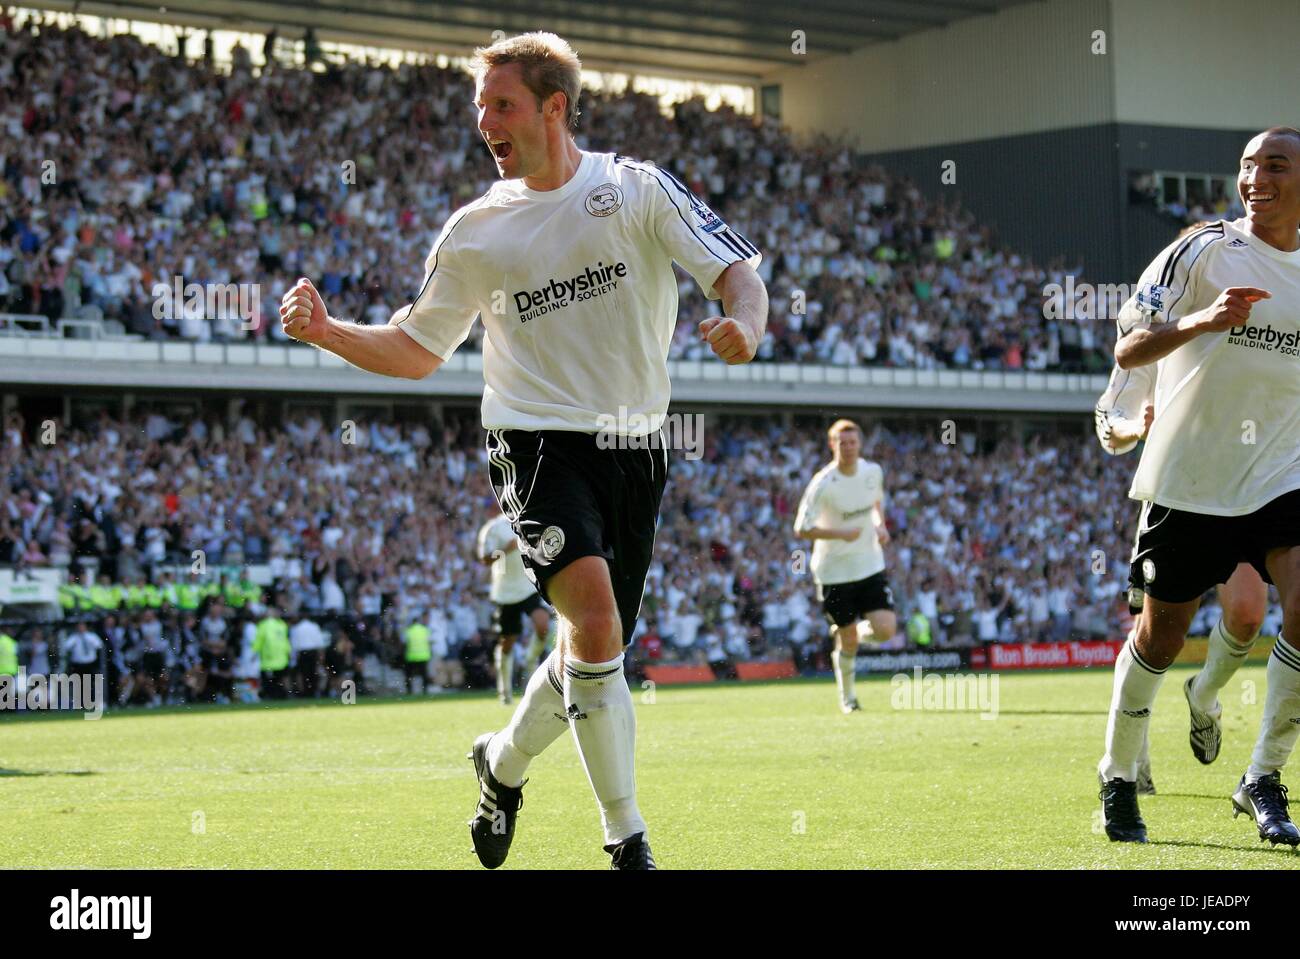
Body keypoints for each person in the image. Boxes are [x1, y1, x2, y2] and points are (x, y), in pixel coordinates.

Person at [280, 31, 766, 869]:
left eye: (500, 104)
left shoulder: (635, 188)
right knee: (597, 618)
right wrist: (327, 333)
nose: (484, 121)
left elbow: (737, 273)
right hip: (535, 441)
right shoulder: (474, 231)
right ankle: (626, 835)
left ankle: (500, 764)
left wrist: (745, 329)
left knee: (594, 647)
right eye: (479, 106)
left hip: (636, 445)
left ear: (553, 108)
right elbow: (416, 349)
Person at [1098, 127, 1300, 847]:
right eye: (1248, 166)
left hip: (1281, 475)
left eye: (1275, 165)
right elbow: (1130, 344)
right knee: (1161, 635)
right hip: (1193, 475)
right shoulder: (1205, 248)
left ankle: (1264, 776)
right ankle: (1119, 775)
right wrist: (1208, 319)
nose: (1256, 178)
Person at [1095, 290, 1267, 801]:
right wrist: (1134, 428)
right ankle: (1128, 761)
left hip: (1244, 495)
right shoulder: (1154, 336)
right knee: (1153, 634)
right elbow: (1111, 418)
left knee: (1248, 614)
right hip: (1174, 498)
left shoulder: (1248, 321)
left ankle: (1204, 695)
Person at [793, 419, 896, 714]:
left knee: (886, 630)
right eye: (842, 442)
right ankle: (848, 698)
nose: (848, 447)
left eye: (852, 442)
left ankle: (849, 631)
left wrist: (880, 527)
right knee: (848, 641)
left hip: (869, 563)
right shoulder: (823, 483)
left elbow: (876, 504)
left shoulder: (872, 472)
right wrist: (840, 534)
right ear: (832, 445)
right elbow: (801, 528)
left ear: (860, 444)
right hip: (833, 571)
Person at [477, 501, 550, 705]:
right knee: (507, 642)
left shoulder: (527, 520)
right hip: (505, 593)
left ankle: (530, 660)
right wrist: (505, 550)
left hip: (527, 586)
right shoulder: (492, 529)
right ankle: (505, 689)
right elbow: (485, 559)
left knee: (542, 625)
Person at [254, 606, 291, 700]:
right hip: (282, 658)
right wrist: (288, 651)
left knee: (269, 681)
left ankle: (270, 695)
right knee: (281, 679)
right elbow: (285, 640)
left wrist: (254, 651)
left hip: (268, 658)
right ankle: (285, 694)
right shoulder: (282, 624)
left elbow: (259, 640)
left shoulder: (263, 625)